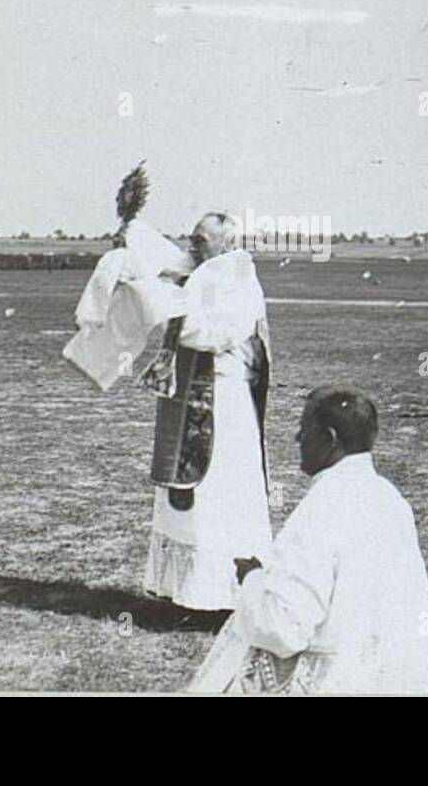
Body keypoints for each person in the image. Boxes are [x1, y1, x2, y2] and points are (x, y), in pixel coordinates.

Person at [189, 387, 428, 694]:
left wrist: (252, 580)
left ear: (329, 440)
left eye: (304, 430)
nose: (297, 439)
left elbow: (283, 629)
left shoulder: (322, 509)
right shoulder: (391, 500)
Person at [141, 213, 273, 611]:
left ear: (226, 243)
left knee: (221, 497)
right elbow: (154, 264)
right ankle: (182, 594)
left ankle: (222, 596)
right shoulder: (200, 274)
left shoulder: (240, 283)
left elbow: (215, 335)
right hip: (189, 397)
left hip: (224, 404)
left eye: (201, 239)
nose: (192, 245)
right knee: (187, 501)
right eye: (192, 238)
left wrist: (174, 306)